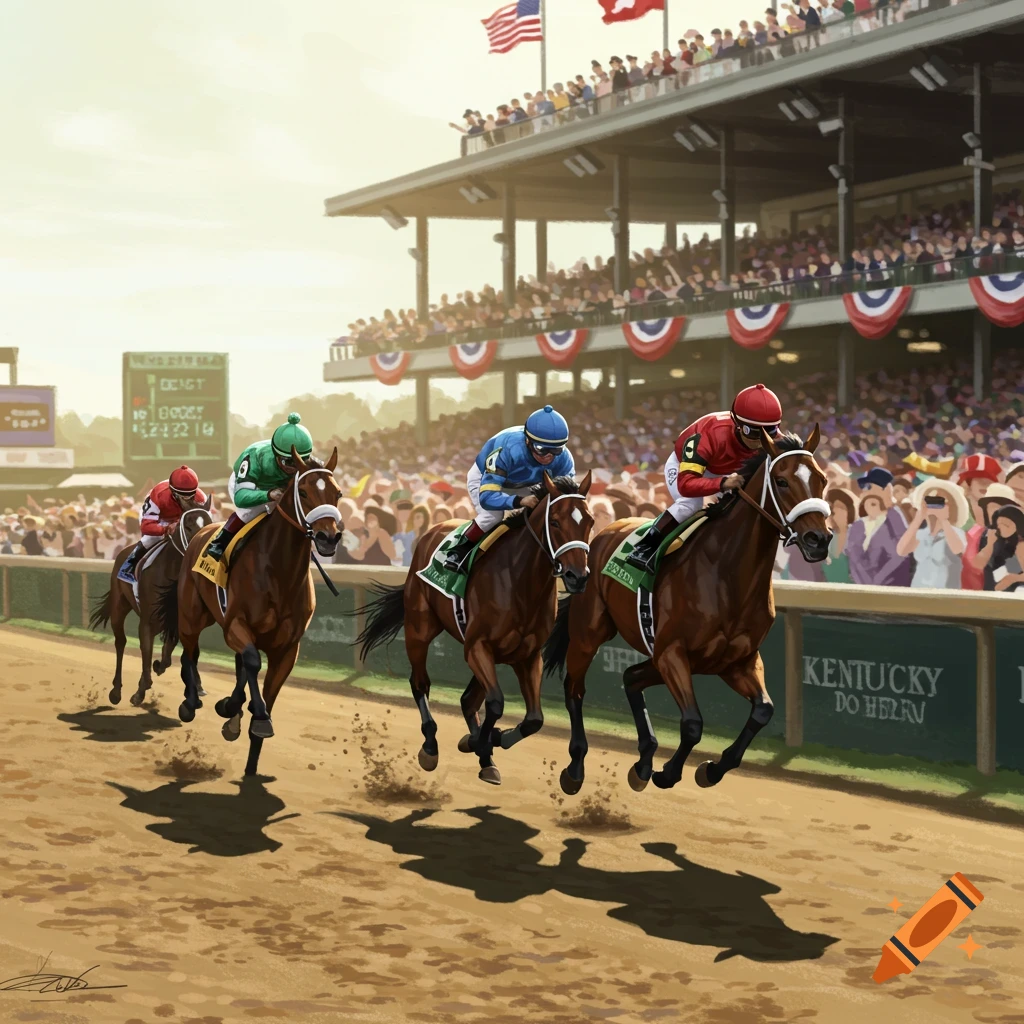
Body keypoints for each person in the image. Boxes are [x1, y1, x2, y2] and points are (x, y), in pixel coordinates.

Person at [625, 383, 783, 572]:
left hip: (727, 471)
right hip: (687, 467)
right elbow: (686, 484)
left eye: (770, 432)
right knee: (690, 505)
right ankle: (644, 547)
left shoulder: (776, 440)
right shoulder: (709, 434)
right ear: (739, 426)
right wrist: (722, 483)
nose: (761, 442)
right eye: (754, 433)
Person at [443, 404, 576, 571]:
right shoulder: (509, 448)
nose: (549, 456)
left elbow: (566, 500)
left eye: (556, 450)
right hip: (486, 479)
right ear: (528, 441)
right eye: (542, 449)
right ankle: (458, 552)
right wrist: (520, 501)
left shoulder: (564, 459)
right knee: (493, 516)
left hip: (526, 484)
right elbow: (487, 498)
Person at [204, 412, 314, 564]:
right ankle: (220, 542)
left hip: (280, 486)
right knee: (251, 511)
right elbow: (241, 498)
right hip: (251, 484)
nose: (295, 467)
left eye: (301, 461)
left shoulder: (306, 462)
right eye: (289, 462)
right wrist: (268, 495)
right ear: (277, 455)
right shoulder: (255, 456)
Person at [119, 466, 207, 582]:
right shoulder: (159, 495)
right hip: (158, 518)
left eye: (189, 495)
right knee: (151, 538)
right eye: (182, 495)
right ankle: (128, 567)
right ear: (172, 490)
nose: (186, 499)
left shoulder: (201, 498)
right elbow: (146, 526)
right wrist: (166, 528)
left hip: (181, 519)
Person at [896, 479, 968, 589]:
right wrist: (918, 518)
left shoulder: (956, 532)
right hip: (919, 592)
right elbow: (901, 551)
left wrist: (944, 521)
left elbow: (958, 549)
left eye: (940, 501)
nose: (934, 505)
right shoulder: (921, 534)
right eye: (930, 500)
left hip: (946, 595)